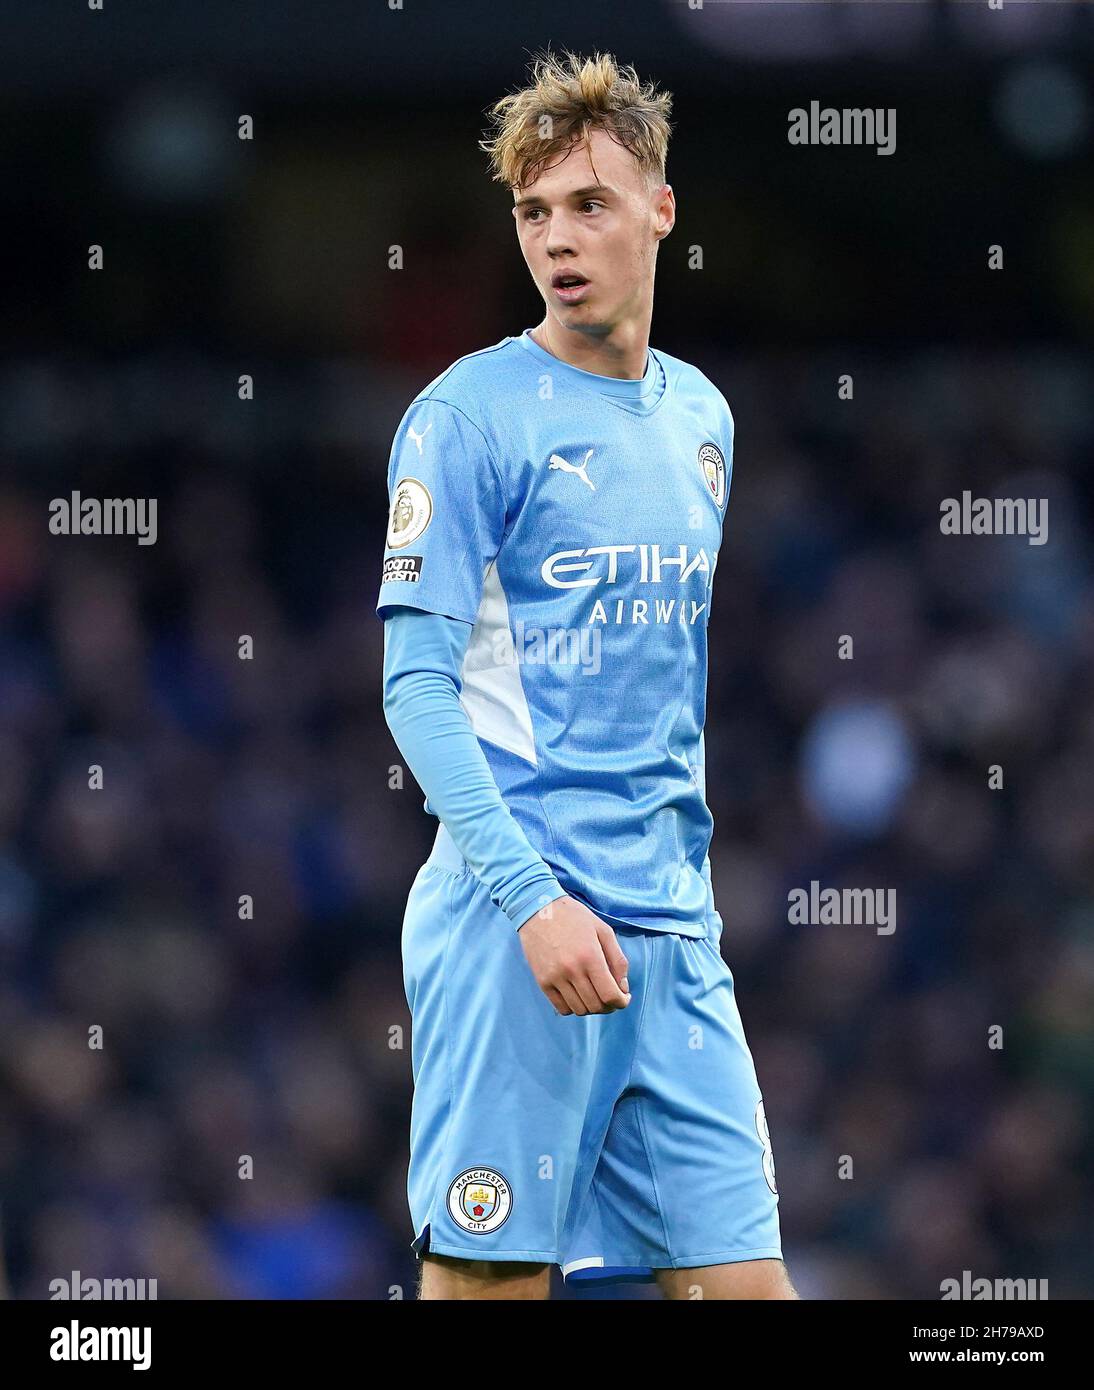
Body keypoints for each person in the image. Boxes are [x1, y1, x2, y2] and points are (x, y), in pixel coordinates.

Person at [377, 49, 795, 1301]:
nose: (558, 239)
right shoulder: (465, 416)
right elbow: (413, 687)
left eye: (590, 204)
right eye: (533, 212)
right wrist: (532, 902)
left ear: (660, 209)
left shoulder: (703, 421)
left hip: (669, 938)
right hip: (521, 927)